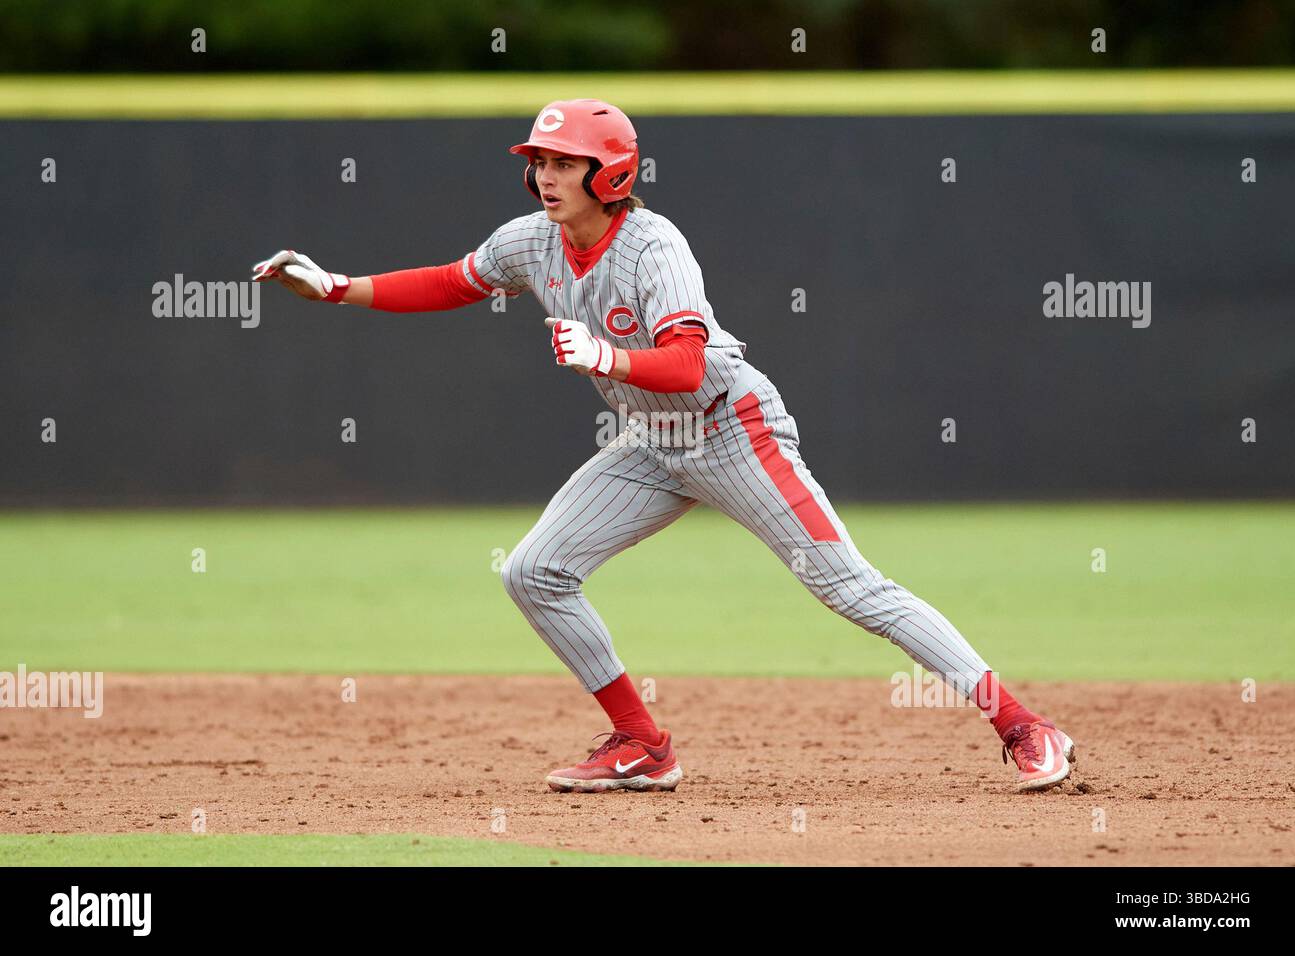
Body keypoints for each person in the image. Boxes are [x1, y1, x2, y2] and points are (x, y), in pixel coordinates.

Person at [252, 99, 1077, 794]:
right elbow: (452, 280)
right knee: (532, 572)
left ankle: (1022, 724)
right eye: (538, 159)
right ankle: (642, 745)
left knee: (851, 588)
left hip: (731, 425)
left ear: (609, 175)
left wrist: (604, 356)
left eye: (565, 162)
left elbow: (684, 364)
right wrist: (332, 288)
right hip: (652, 439)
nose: (545, 174)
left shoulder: (655, 247)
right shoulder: (530, 240)